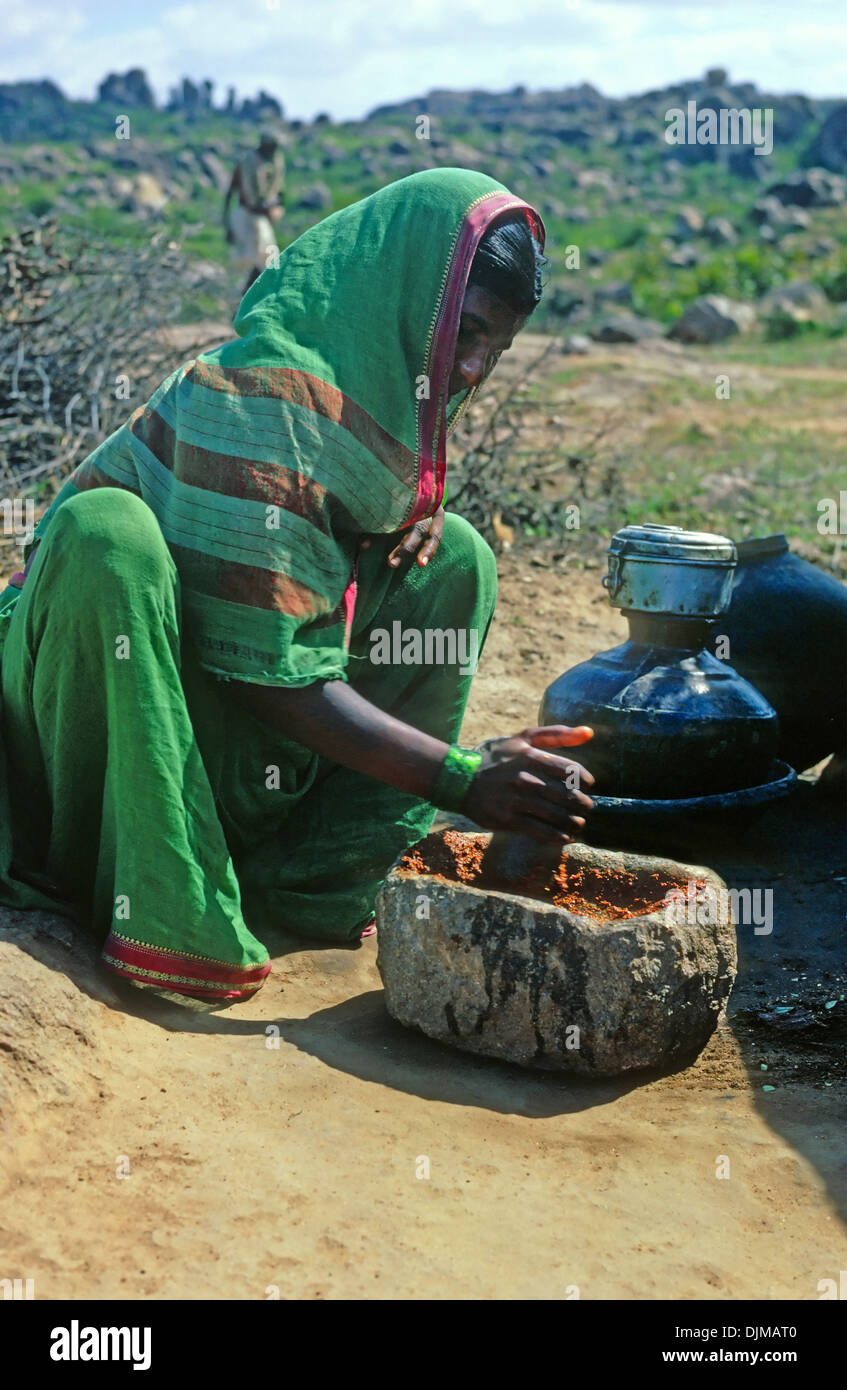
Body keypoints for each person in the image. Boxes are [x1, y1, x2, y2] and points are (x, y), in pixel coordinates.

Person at [0, 168, 593, 1010]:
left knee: (455, 556)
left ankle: (307, 884)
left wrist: (404, 516)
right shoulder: (260, 395)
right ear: (402, 304)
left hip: (221, 736)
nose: (470, 366)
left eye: (492, 348)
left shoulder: (373, 415)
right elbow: (266, 670)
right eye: (461, 332)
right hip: (85, 745)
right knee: (108, 538)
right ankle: (145, 885)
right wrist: (463, 779)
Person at [224, 127, 286, 296]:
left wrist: (275, 207)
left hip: (262, 218)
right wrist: (227, 224)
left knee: (269, 260)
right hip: (245, 216)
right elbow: (232, 193)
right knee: (248, 260)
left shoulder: (274, 163)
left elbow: (279, 193)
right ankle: (242, 300)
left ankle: (249, 299)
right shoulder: (247, 163)